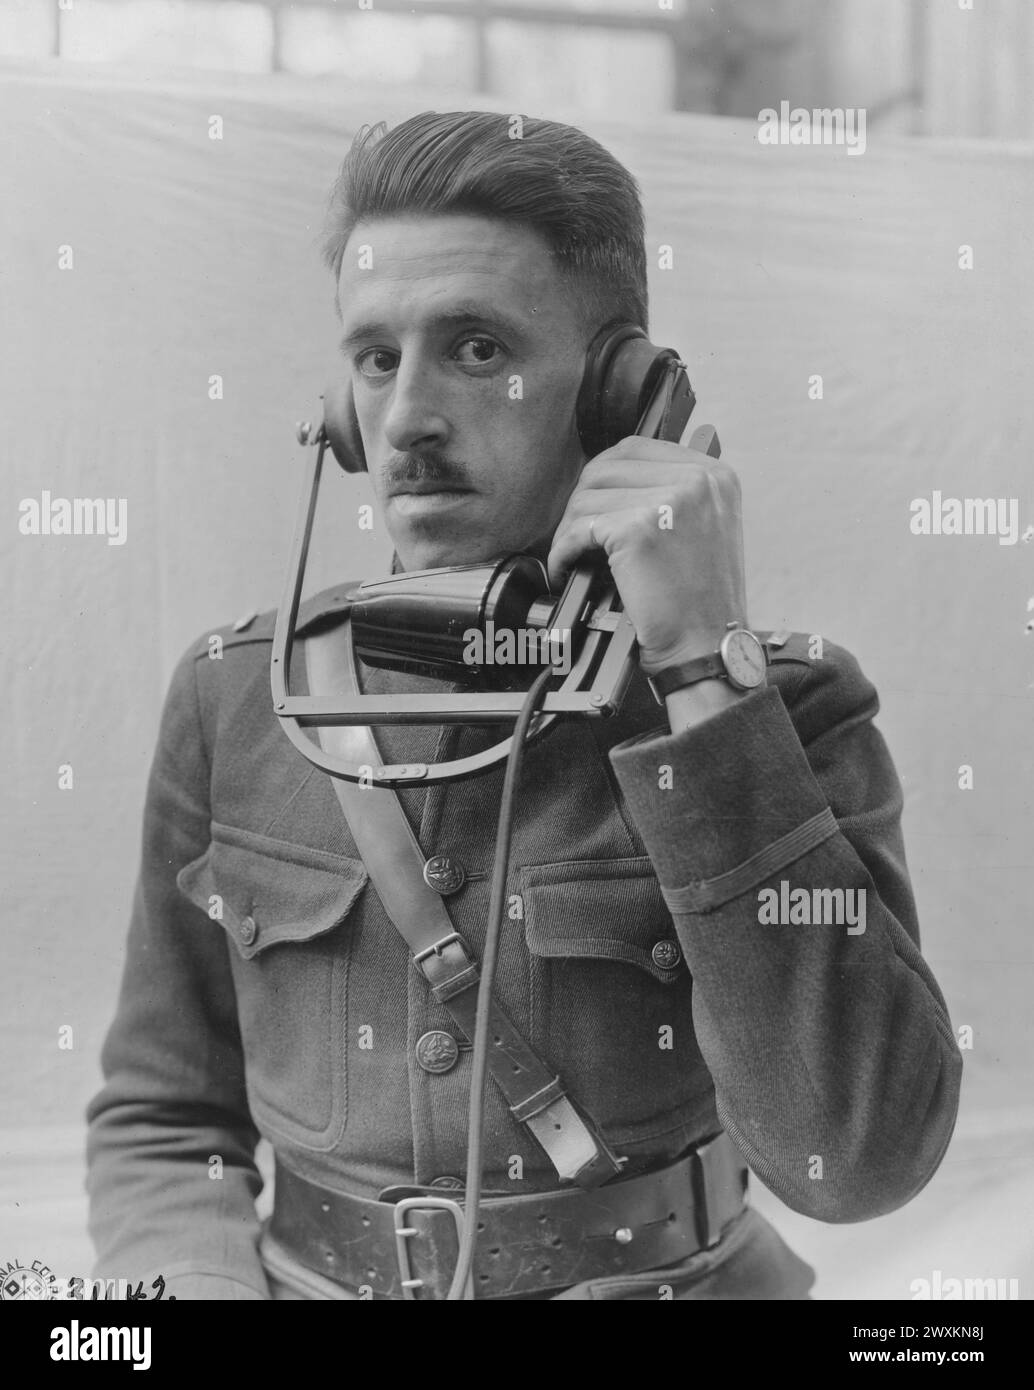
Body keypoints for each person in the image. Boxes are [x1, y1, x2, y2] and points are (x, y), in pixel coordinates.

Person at [85, 111, 962, 1301]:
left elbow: (852, 1161)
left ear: (622, 393)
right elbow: (161, 1109)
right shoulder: (237, 698)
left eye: (477, 347)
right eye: (376, 360)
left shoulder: (779, 708)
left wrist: (701, 671)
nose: (405, 420)